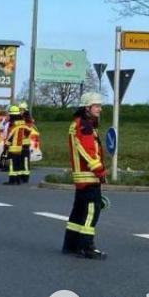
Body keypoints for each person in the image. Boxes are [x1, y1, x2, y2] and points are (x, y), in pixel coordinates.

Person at [63, 92, 107, 260]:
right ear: (87, 108)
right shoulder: (85, 125)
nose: (100, 109)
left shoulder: (78, 123)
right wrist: (99, 170)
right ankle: (86, 247)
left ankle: (71, 244)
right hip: (89, 176)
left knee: (78, 212)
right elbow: (87, 150)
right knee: (91, 212)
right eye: (96, 106)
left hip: (82, 176)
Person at [3, 105, 31, 185]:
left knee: (12, 164)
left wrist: (6, 147)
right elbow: (28, 131)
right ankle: (18, 180)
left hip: (13, 147)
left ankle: (12, 180)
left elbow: (10, 137)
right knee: (18, 164)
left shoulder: (13, 125)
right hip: (19, 147)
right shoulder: (22, 123)